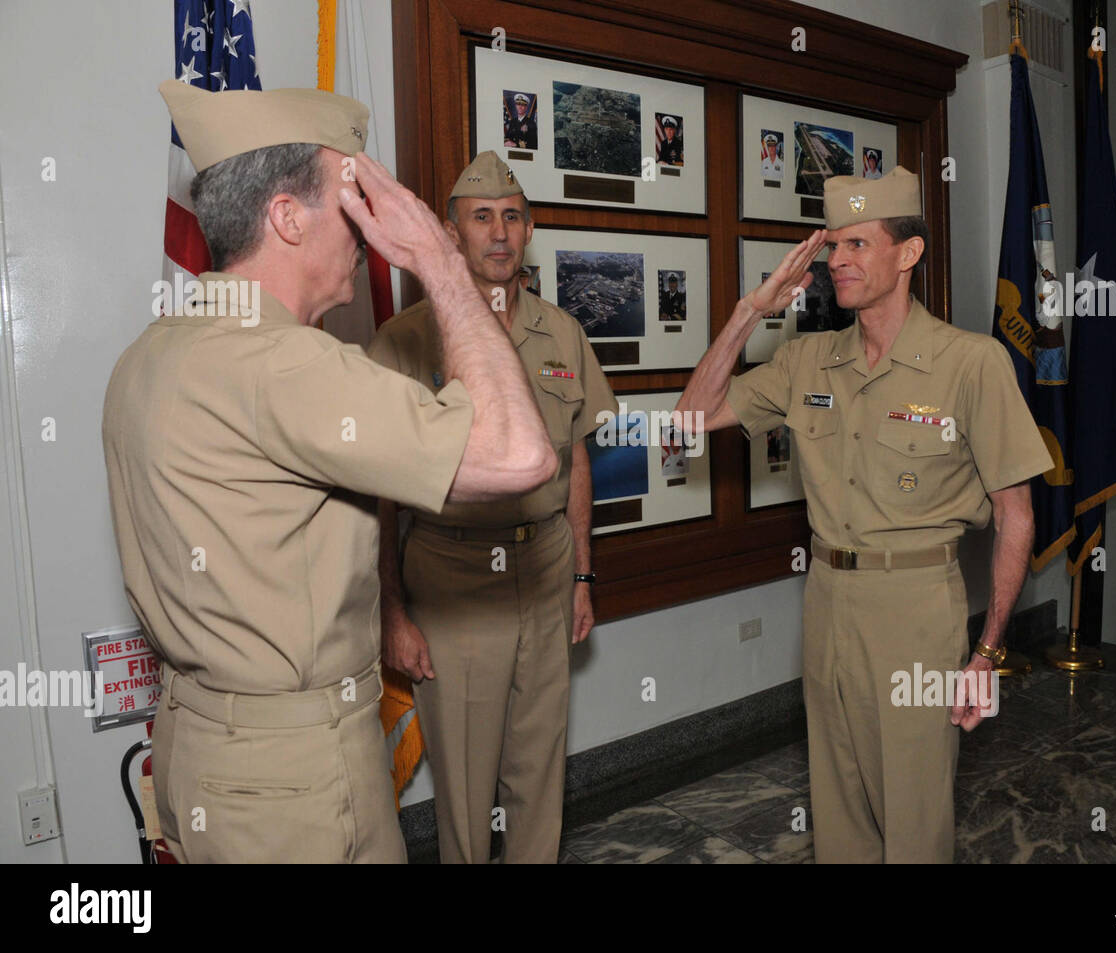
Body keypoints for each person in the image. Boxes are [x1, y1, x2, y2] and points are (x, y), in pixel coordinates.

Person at [102, 82, 556, 864]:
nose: (367, 231)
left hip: (201, 745)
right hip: (296, 782)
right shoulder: (286, 365)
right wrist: (441, 265)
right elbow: (521, 453)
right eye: (350, 203)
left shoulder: (149, 354)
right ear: (286, 217)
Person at [675, 167, 1051, 863]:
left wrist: (989, 652)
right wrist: (751, 310)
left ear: (908, 253)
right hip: (826, 601)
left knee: (912, 816)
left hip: (916, 608)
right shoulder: (808, 359)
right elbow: (687, 423)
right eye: (831, 248)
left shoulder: (971, 363)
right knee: (839, 810)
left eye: (855, 245)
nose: (836, 262)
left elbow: (1017, 515)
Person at [366, 151, 617, 864]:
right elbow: (379, 492)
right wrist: (391, 608)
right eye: (481, 219)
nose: (499, 233)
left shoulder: (562, 333)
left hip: (544, 569)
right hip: (452, 578)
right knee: (467, 791)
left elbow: (574, 462)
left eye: (512, 217)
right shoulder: (407, 340)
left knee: (540, 769)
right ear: (450, 235)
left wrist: (583, 577)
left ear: (529, 228)